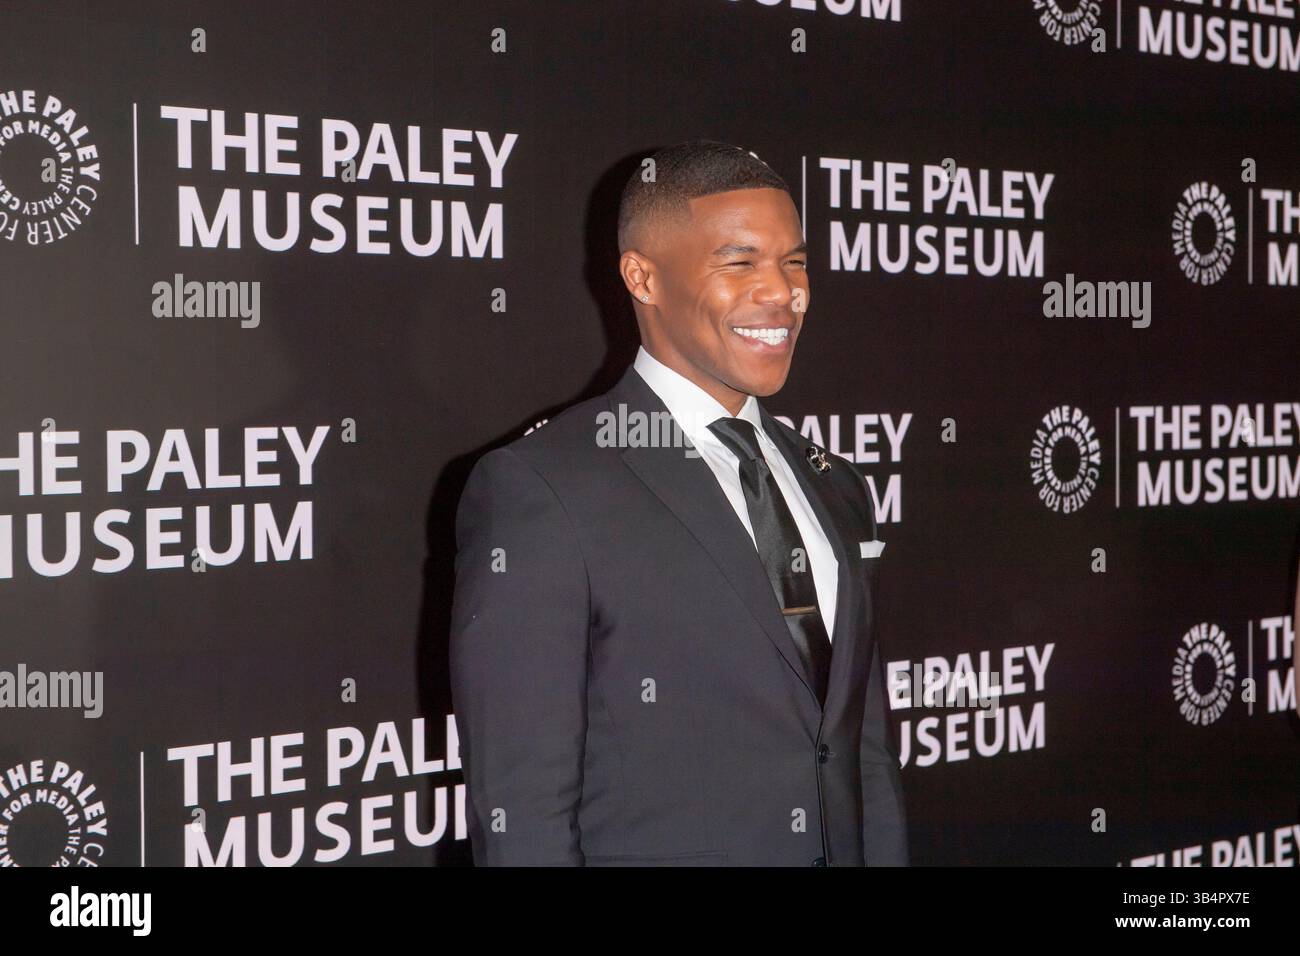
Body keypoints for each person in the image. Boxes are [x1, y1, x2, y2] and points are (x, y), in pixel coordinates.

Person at [449, 140, 907, 866]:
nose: (783, 292)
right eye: (740, 262)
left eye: (795, 261)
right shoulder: (543, 490)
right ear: (643, 277)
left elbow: (864, 753)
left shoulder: (834, 483)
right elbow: (523, 812)